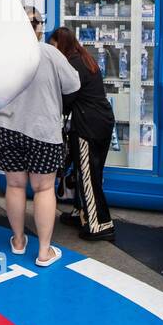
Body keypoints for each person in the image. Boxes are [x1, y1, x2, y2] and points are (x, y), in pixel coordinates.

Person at [0, 8, 80, 266]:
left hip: (6, 128)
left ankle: (18, 241)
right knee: (44, 189)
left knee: (15, 186)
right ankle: (43, 251)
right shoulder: (49, 54)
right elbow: (74, 85)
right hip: (42, 130)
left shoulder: (0, 55)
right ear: (39, 27)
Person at [48, 26, 115, 241]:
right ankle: (81, 213)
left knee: (89, 176)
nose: (53, 50)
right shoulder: (84, 58)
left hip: (88, 126)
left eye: (54, 46)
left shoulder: (72, 64)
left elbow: (67, 98)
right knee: (83, 172)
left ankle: (101, 224)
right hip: (101, 122)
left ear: (61, 44)